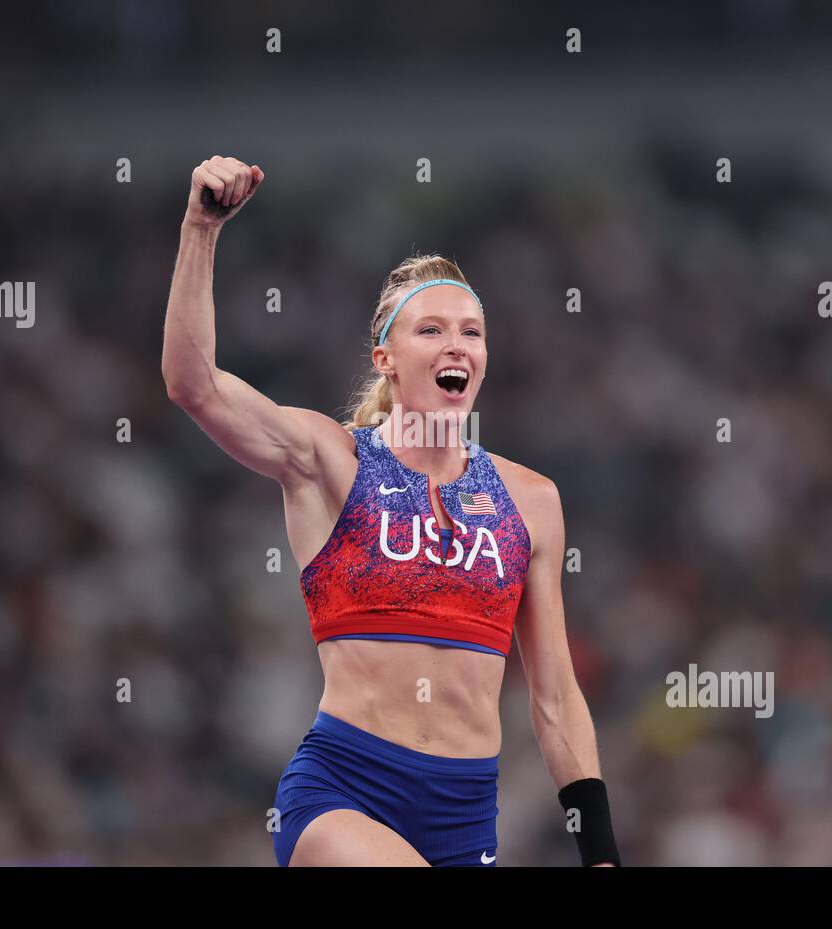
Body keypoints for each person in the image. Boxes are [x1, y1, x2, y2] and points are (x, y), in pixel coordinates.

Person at [162, 156, 621, 867]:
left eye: (471, 331)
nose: (456, 345)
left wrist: (600, 851)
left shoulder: (531, 501)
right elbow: (194, 385)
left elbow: (554, 694)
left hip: (465, 815)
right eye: (431, 330)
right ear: (386, 357)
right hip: (343, 791)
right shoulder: (331, 461)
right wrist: (201, 228)